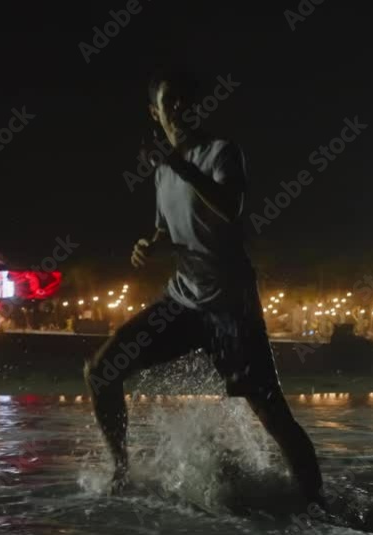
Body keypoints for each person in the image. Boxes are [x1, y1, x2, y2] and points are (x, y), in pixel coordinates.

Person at [84, 71, 324, 505]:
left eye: (185, 101)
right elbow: (167, 230)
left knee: (270, 411)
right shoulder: (163, 170)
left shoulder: (222, 152)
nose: (178, 109)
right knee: (102, 370)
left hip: (231, 307)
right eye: (169, 102)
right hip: (182, 300)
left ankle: (316, 506)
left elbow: (231, 207)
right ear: (153, 113)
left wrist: (182, 165)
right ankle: (122, 474)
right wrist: (149, 245)